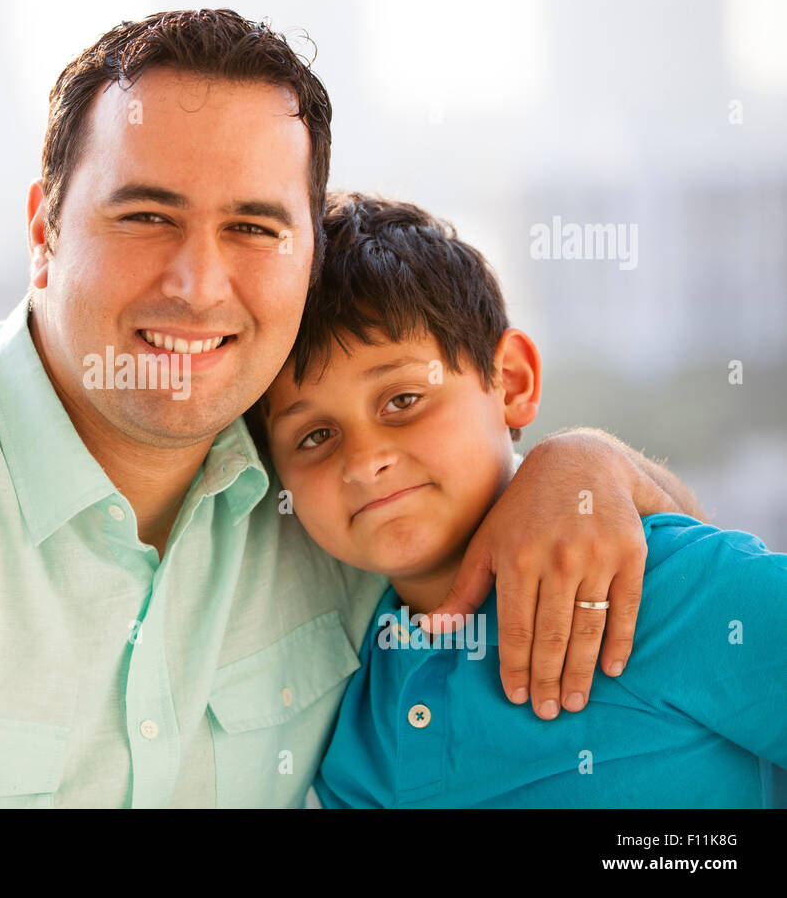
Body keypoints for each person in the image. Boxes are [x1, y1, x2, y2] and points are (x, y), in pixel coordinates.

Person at [0, 10, 703, 809]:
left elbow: (624, 554)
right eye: (144, 216)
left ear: (307, 255)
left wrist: (579, 460)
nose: (196, 282)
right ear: (43, 226)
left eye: (256, 228)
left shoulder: (330, 494)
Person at [257, 191, 786, 807]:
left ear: (510, 381)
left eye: (403, 400)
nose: (364, 459)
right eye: (315, 436)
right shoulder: (353, 716)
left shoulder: (663, 585)